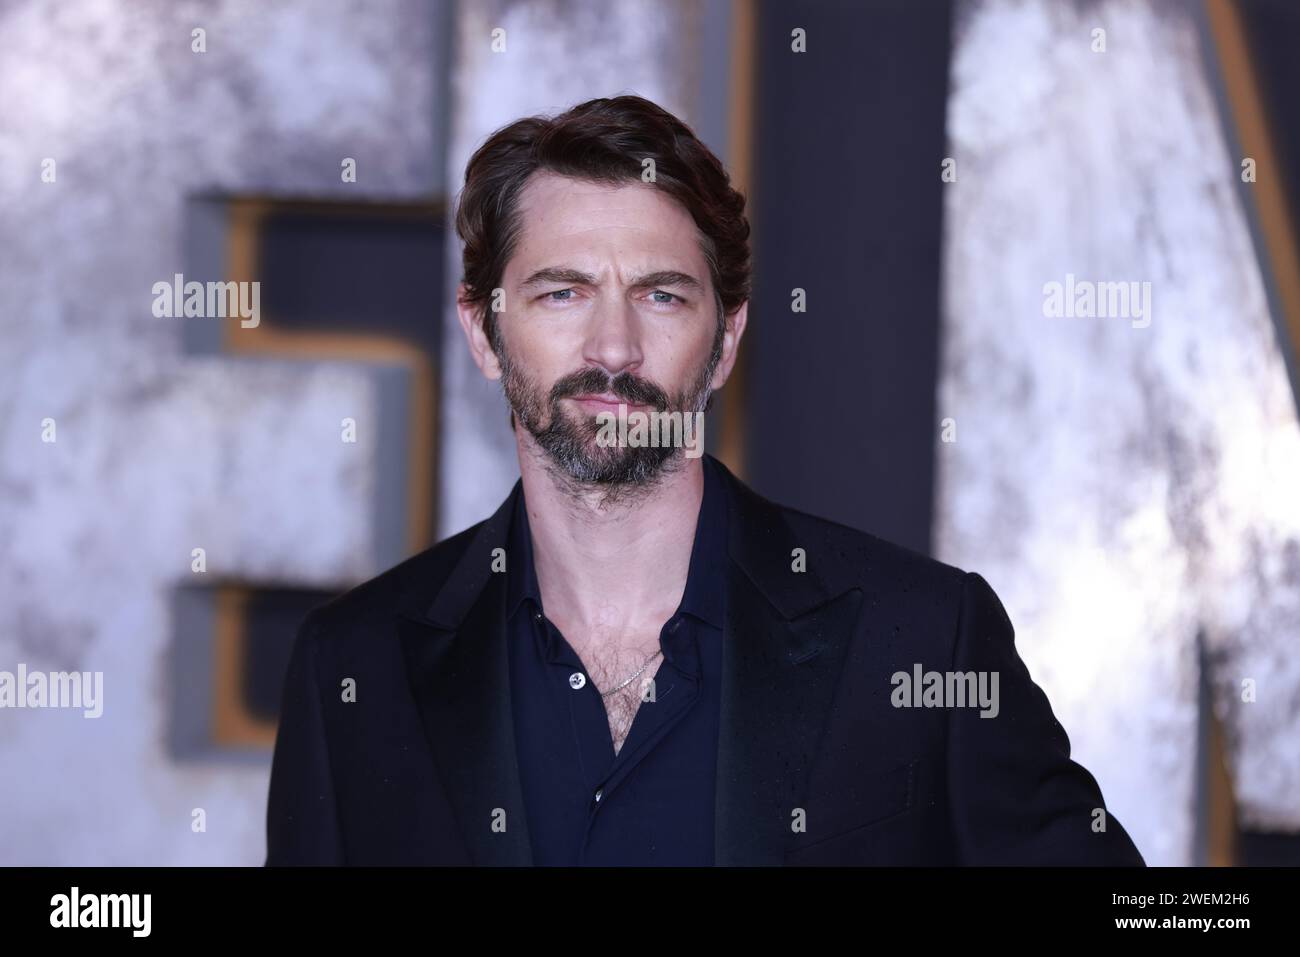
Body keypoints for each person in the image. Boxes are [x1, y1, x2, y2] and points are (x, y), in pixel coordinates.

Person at [265, 94, 1144, 866]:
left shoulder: (917, 641)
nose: (613, 348)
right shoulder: (355, 668)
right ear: (484, 332)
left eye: (662, 295)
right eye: (562, 293)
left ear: (724, 342)